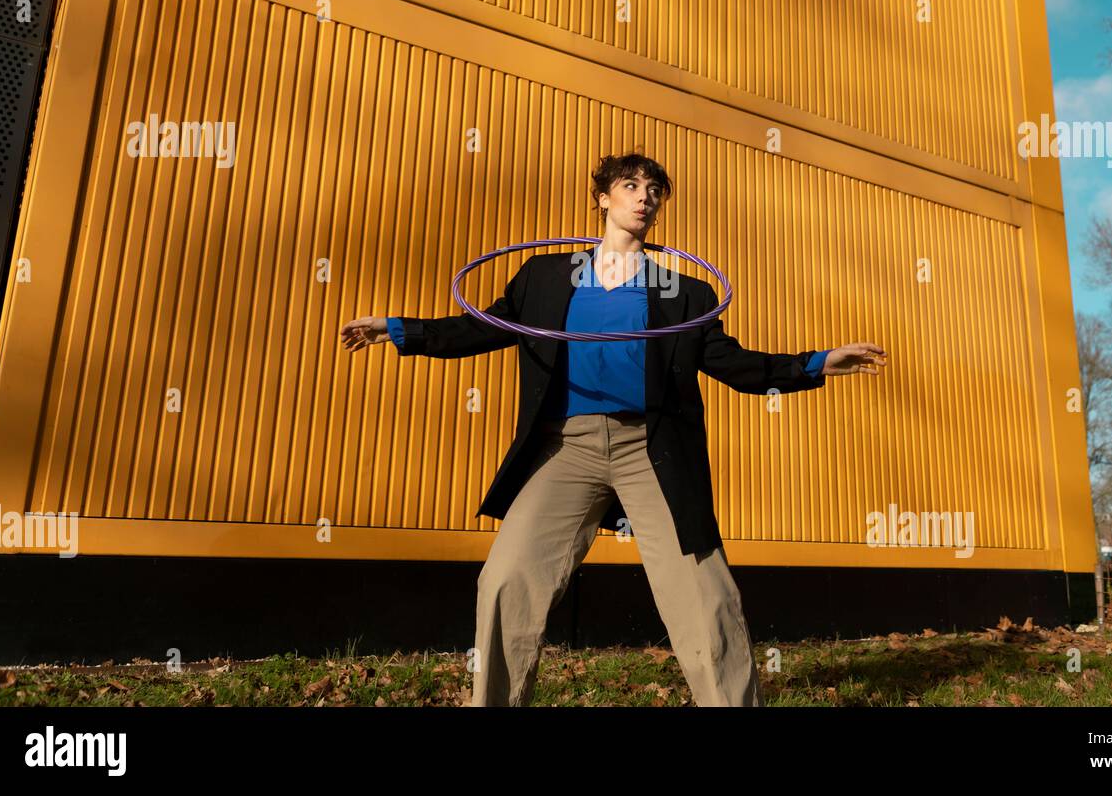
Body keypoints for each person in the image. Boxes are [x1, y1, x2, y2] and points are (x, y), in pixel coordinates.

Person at [339, 151, 887, 705]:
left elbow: (739, 365)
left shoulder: (683, 294)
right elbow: (479, 328)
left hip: (649, 451)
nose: (644, 197)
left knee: (705, 595)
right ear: (602, 198)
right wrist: (400, 329)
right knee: (506, 580)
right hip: (566, 449)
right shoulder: (545, 277)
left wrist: (817, 363)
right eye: (630, 185)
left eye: (654, 190)